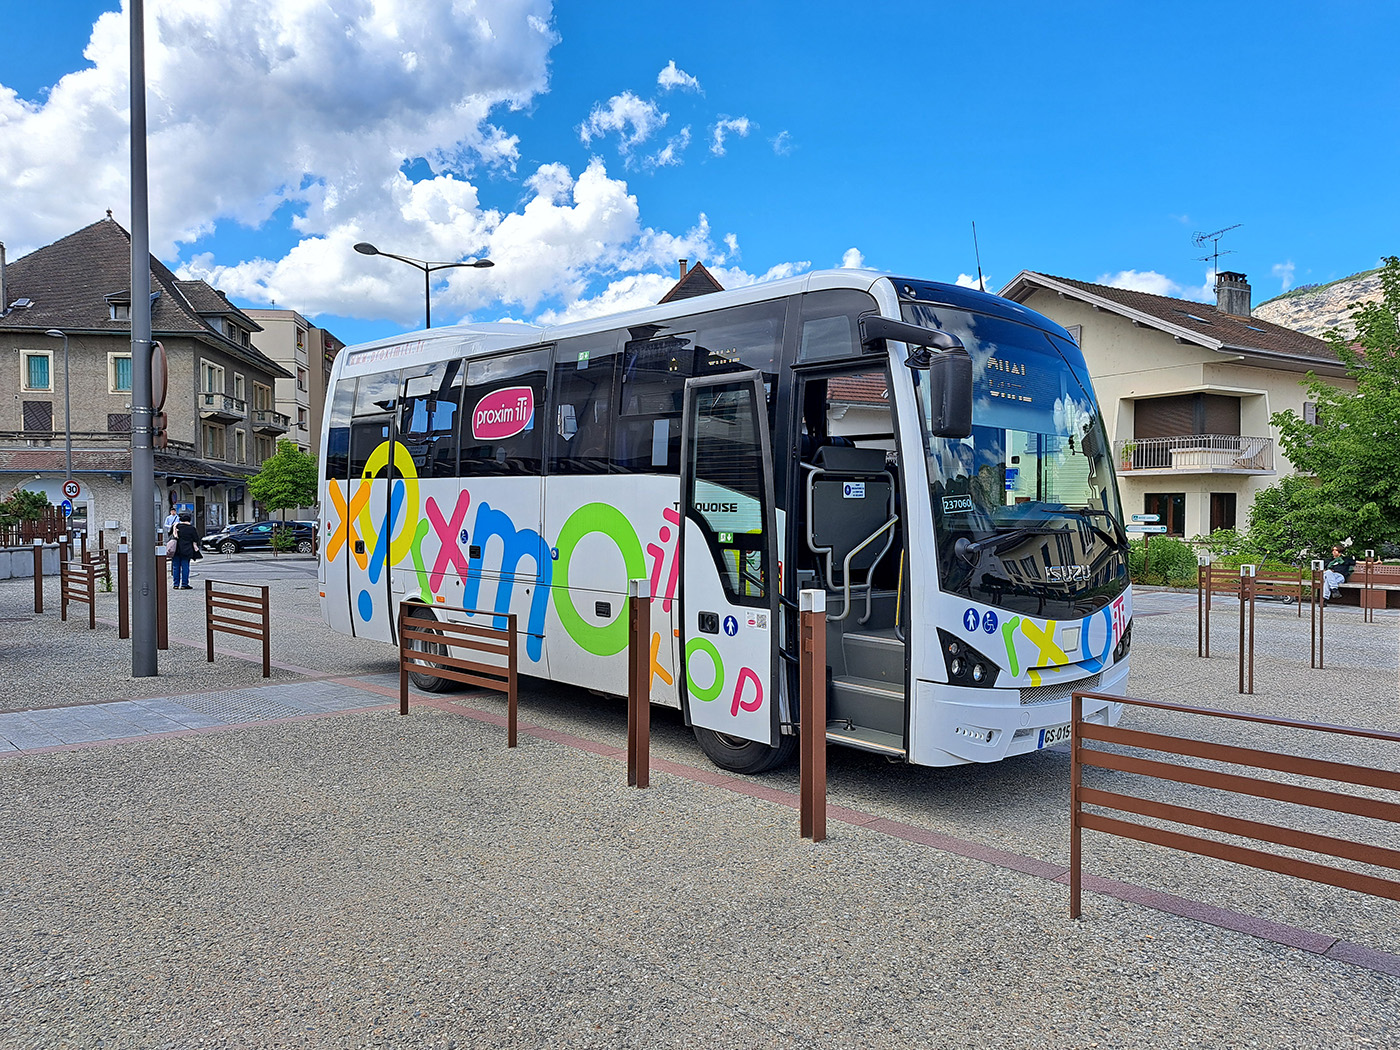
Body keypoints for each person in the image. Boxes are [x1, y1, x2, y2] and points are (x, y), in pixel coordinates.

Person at [170, 512, 202, 590]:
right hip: (187, 550)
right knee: (185, 567)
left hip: (176, 549)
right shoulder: (191, 528)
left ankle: (176, 584)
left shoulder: (176, 526)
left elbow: (170, 535)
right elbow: (196, 539)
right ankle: (184, 584)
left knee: (175, 567)